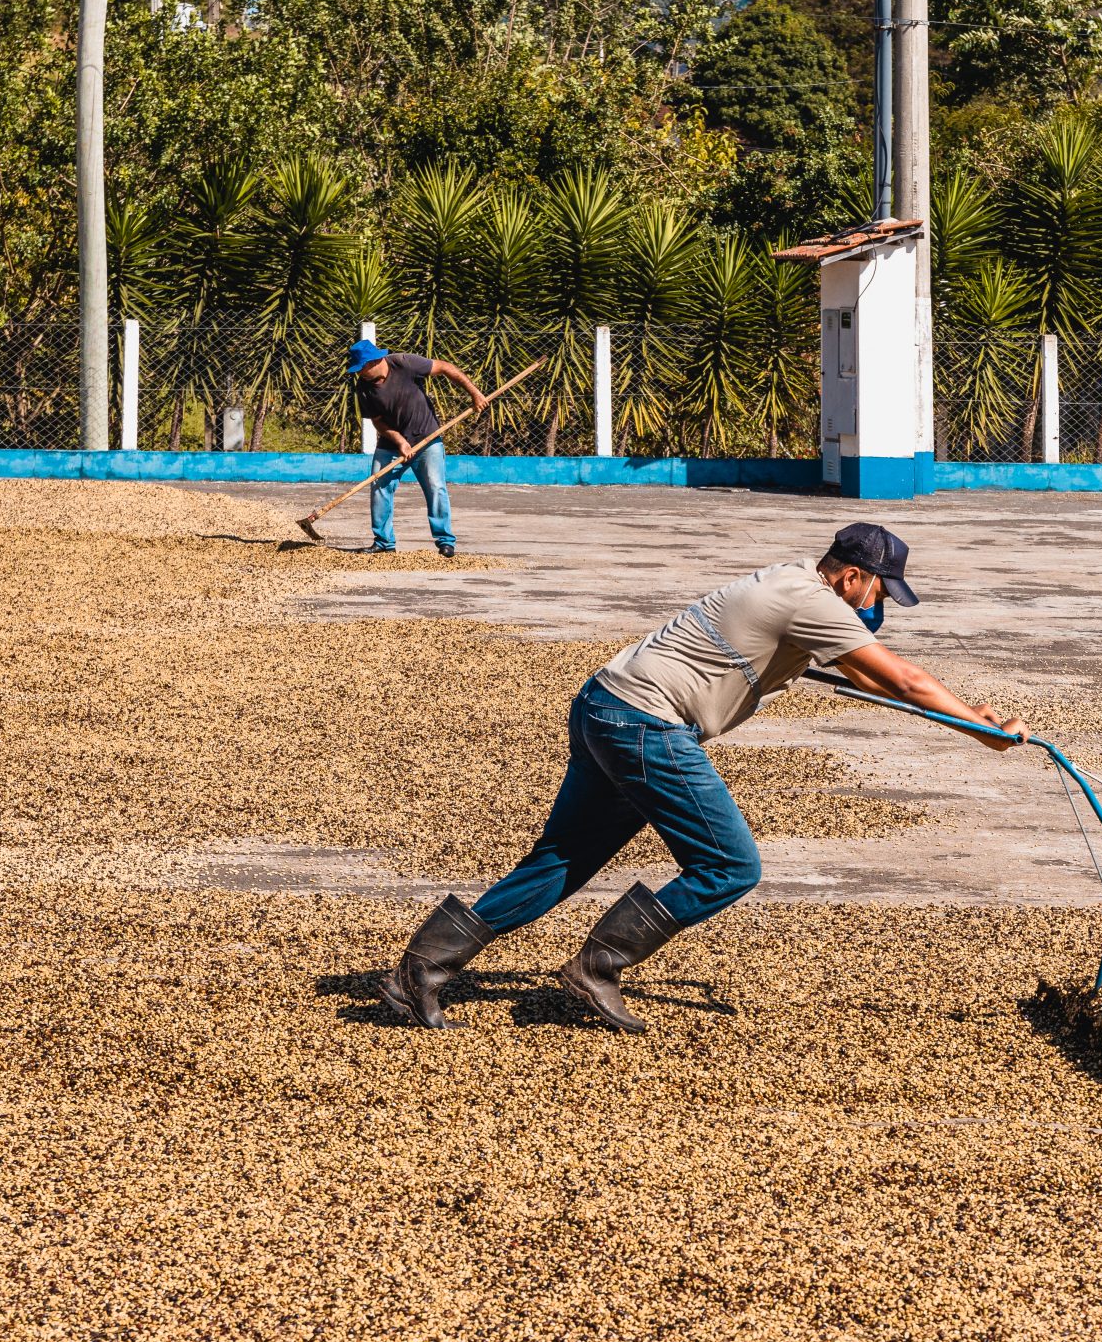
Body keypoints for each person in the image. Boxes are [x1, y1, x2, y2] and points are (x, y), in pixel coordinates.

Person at [377, 523, 1027, 1034]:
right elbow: (901, 676)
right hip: (647, 724)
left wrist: (971, 713)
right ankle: (597, 966)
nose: (880, 606)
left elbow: (865, 674)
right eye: (880, 594)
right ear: (853, 576)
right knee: (730, 864)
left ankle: (421, 969)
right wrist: (980, 729)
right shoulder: (813, 599)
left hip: (603, 703)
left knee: (561, 861)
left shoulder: (795, 579)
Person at [346, 339, 488, 557]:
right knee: (379, 486)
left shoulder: (405, 363)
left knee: (436, 487)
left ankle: (445, 541)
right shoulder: (363, 388)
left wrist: (475, 393)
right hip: (391, 444)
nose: (359, 373)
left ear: (374, 361)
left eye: (361, 368)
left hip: (427, 439)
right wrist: (399, 441)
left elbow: (446, 367)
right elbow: (377, 422)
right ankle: (384, 542)